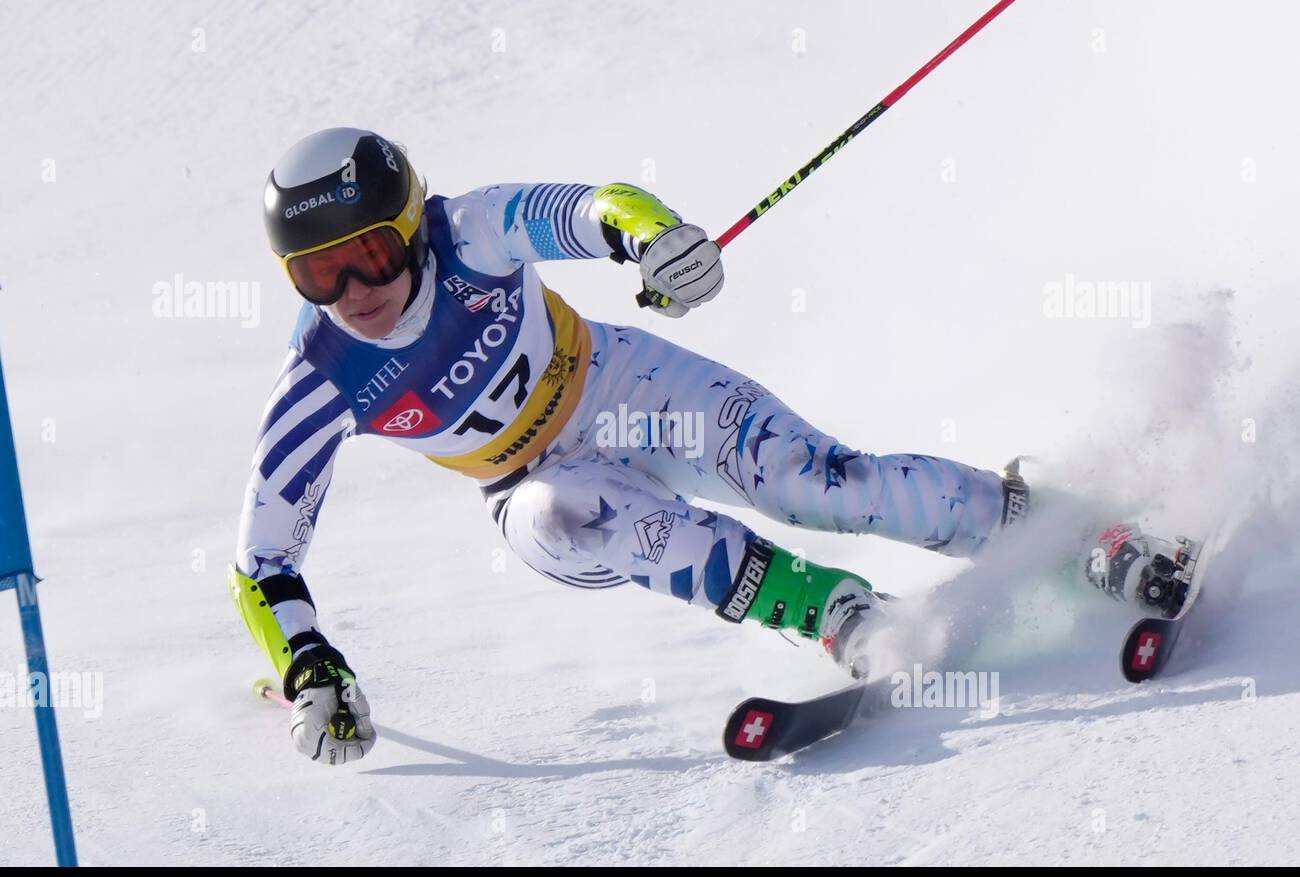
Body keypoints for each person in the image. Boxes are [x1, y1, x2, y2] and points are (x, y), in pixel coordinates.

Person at [232, 128, 1186, 765]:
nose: (354, 287)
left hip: (620, 387)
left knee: (816, 483)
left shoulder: (469, 233)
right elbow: (263, 561)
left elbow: (590, 206)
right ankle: (841, 618)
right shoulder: (319, 378)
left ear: (409, 229)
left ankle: (1070, 535)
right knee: (569, 514)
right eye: (319, 271)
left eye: (370, 253)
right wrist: (310, 664)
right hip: (530, 483)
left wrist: (655, 240)